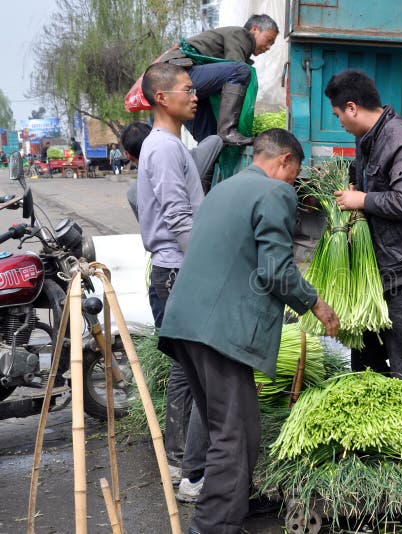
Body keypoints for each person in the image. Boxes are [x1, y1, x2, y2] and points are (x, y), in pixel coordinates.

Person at [157, 128, 339, 534]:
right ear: (286, 161)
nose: (294, 181)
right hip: (220, 329)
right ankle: (213, 525)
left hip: (185, 323)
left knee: (233, 426)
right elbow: (276, 270)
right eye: (296, 172)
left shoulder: (223, 189)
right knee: (234, 434)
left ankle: (234, 502)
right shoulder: (276, 193)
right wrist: (316, 304)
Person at [324, 69, 402, 394]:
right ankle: (374, 443)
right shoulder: (369, 139)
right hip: (380, 270)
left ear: (352, 107)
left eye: (339, 115)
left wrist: (362, 199)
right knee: (365, 366)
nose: (340, 123)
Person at [136, 62, 211, 498]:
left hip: (174, 273)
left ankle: (190, 470)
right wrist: (206, 264)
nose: (195, 95)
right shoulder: (163, 148)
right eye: (187, 89)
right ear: (162, 98)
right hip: (177, 274)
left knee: (194, 378)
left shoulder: (172, 144)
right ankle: (194, 476)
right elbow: (178, 215)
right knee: (204, 378)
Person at [158, 13, 279, 146]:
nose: (268, 48)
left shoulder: (235, 40)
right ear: (254, 29)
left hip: (178, 84)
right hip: (178, 73)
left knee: (211, 141)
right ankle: (228, 131)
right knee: (241, 70)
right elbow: (236, 69)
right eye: (268, 40)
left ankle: (211, 157)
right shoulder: (242, 35)